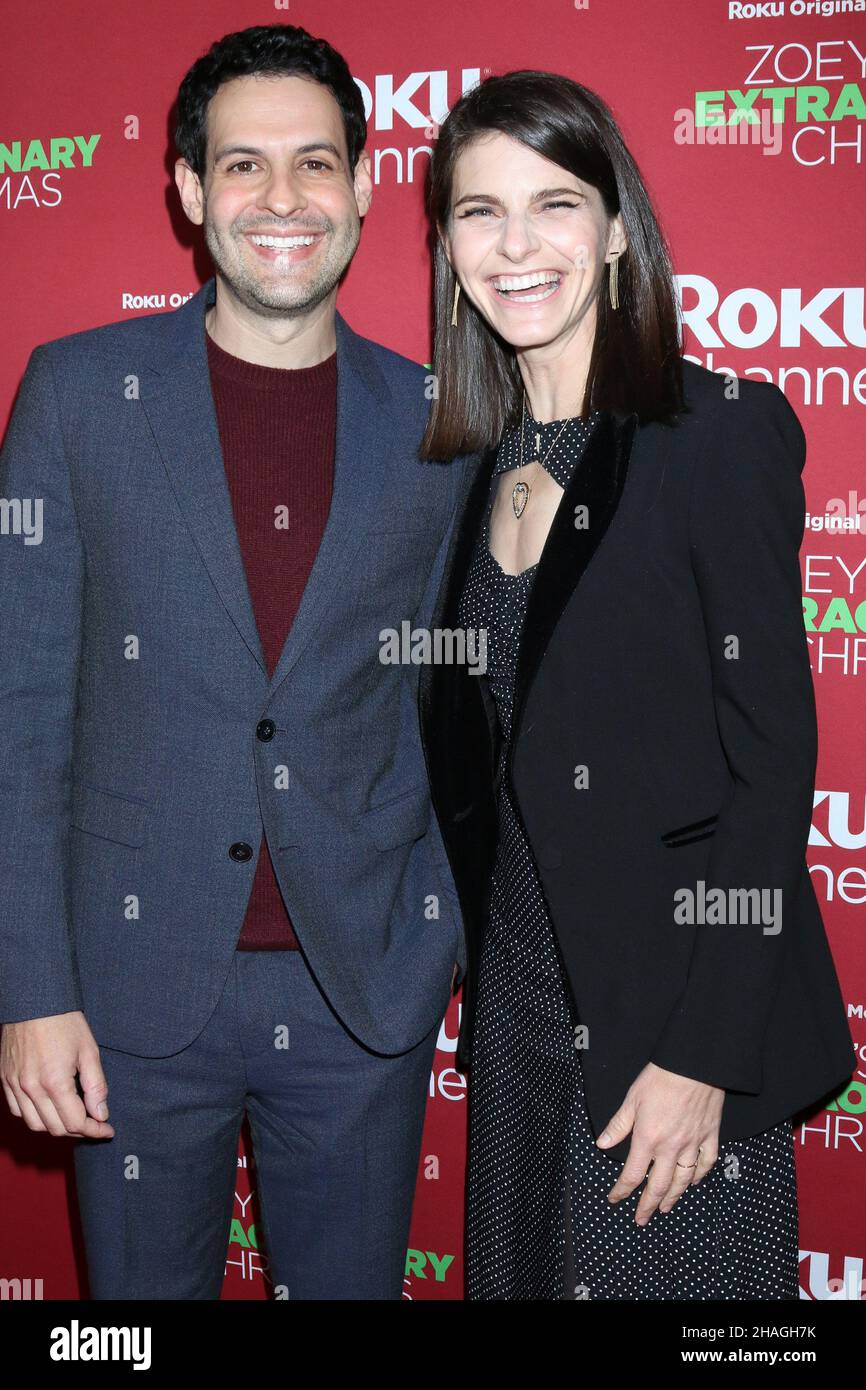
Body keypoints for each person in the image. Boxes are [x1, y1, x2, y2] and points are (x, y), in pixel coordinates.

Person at [0, 23, 468, 1301]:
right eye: (244, 166)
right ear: (192, 191)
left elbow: (456, 712)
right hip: (130, 1000)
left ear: (365, 189)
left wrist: (441, 940)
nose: (282, 199)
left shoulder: (438, 426)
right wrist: (29, 989)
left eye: (315, 164)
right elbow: (21, 707)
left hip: (358, 1000)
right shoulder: (77, 395)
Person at [418, 69, 854, 1301]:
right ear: (446, 248)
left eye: (553, 204)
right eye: (476, 212)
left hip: (669, 1021)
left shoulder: (713, 434)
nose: (515, 247)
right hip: (513, 1007)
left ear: (615, 228)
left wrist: (702, 1055)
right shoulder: (464, 470)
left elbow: (772, 770)